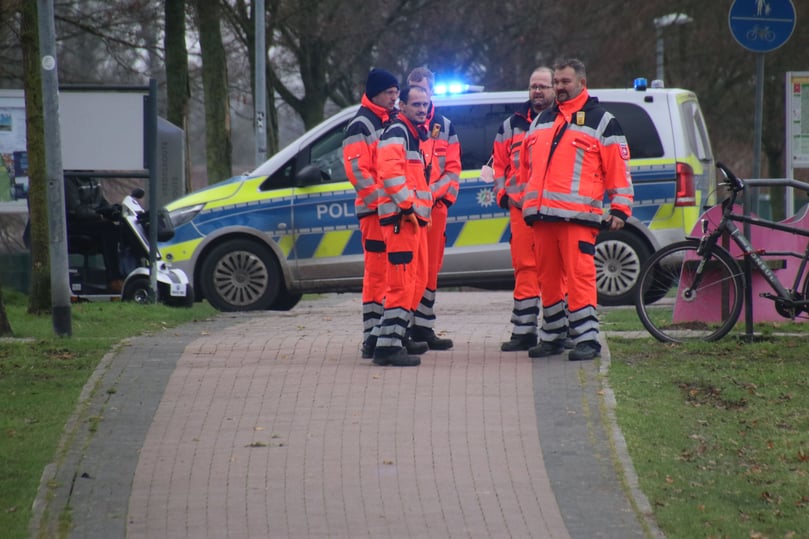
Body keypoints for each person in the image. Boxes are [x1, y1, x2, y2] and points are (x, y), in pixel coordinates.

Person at [521, 59, 634, 361]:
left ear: (582, 83)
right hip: (542, 216)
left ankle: (587, 339)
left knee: (580, 277)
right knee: (548, 278)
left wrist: (620, 208)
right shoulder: (542, 119)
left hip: (578, 218)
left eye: (565, 82)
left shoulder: (602, 121)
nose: (558, 87)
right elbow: (526, 167)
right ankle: (553, 336)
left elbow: (618, 170)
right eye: (556, 81)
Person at [492, 66, 555, 352]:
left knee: (555, 271)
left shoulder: (560, 120)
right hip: (520, 210)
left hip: (552, 210)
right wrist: (504, 195)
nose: (537, 91)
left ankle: (557, 330)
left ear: (554, 89)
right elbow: (499, 166)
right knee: (524, 270)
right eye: (533, 86)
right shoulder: (511, 125)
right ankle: (524, 331)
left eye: (543, 86)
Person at [342, 68, 402, 359]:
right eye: (390, 93)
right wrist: (381, 204)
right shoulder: (361, 125)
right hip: (374, 213)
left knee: (389, 274)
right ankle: (371, 336)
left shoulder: (387, 120)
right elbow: (358, 173)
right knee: (377, 274)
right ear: (376, 92)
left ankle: (383, 333)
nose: (395, 98)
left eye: (396, 93)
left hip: (387, 212)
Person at [373, 85, 434, 367]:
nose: (422, 109)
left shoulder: (412, 134)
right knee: (401, 282)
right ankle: (387, 347)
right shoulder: (398, 132)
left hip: (412, 220)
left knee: (414, 281)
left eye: (425, 104)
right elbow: (389, 173)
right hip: (401, 220)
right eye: (417, 104)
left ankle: (400, 336)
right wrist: (407, 206)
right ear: (404, 106)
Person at [405, 67, 461, 350]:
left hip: (434, 210)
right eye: (413, 88)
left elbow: (452, 172)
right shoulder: (400, 125)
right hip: (406, 210)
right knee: (406, 270)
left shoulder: (445, 126)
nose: (419, 96)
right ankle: (402, 328)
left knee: (429, 271)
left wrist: (431, 195)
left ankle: (423, 327)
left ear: (431, 92)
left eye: (423, 90)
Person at [64, 174, 123, 291]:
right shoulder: (69, 178)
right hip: (74, 224)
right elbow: (76, 209)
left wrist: (112, 210)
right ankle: (114, 279)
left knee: (121, 228)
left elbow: (101, 201)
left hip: (93, 220)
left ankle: (131, 271)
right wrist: (99, 215)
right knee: (108, 229)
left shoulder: (93, 177)